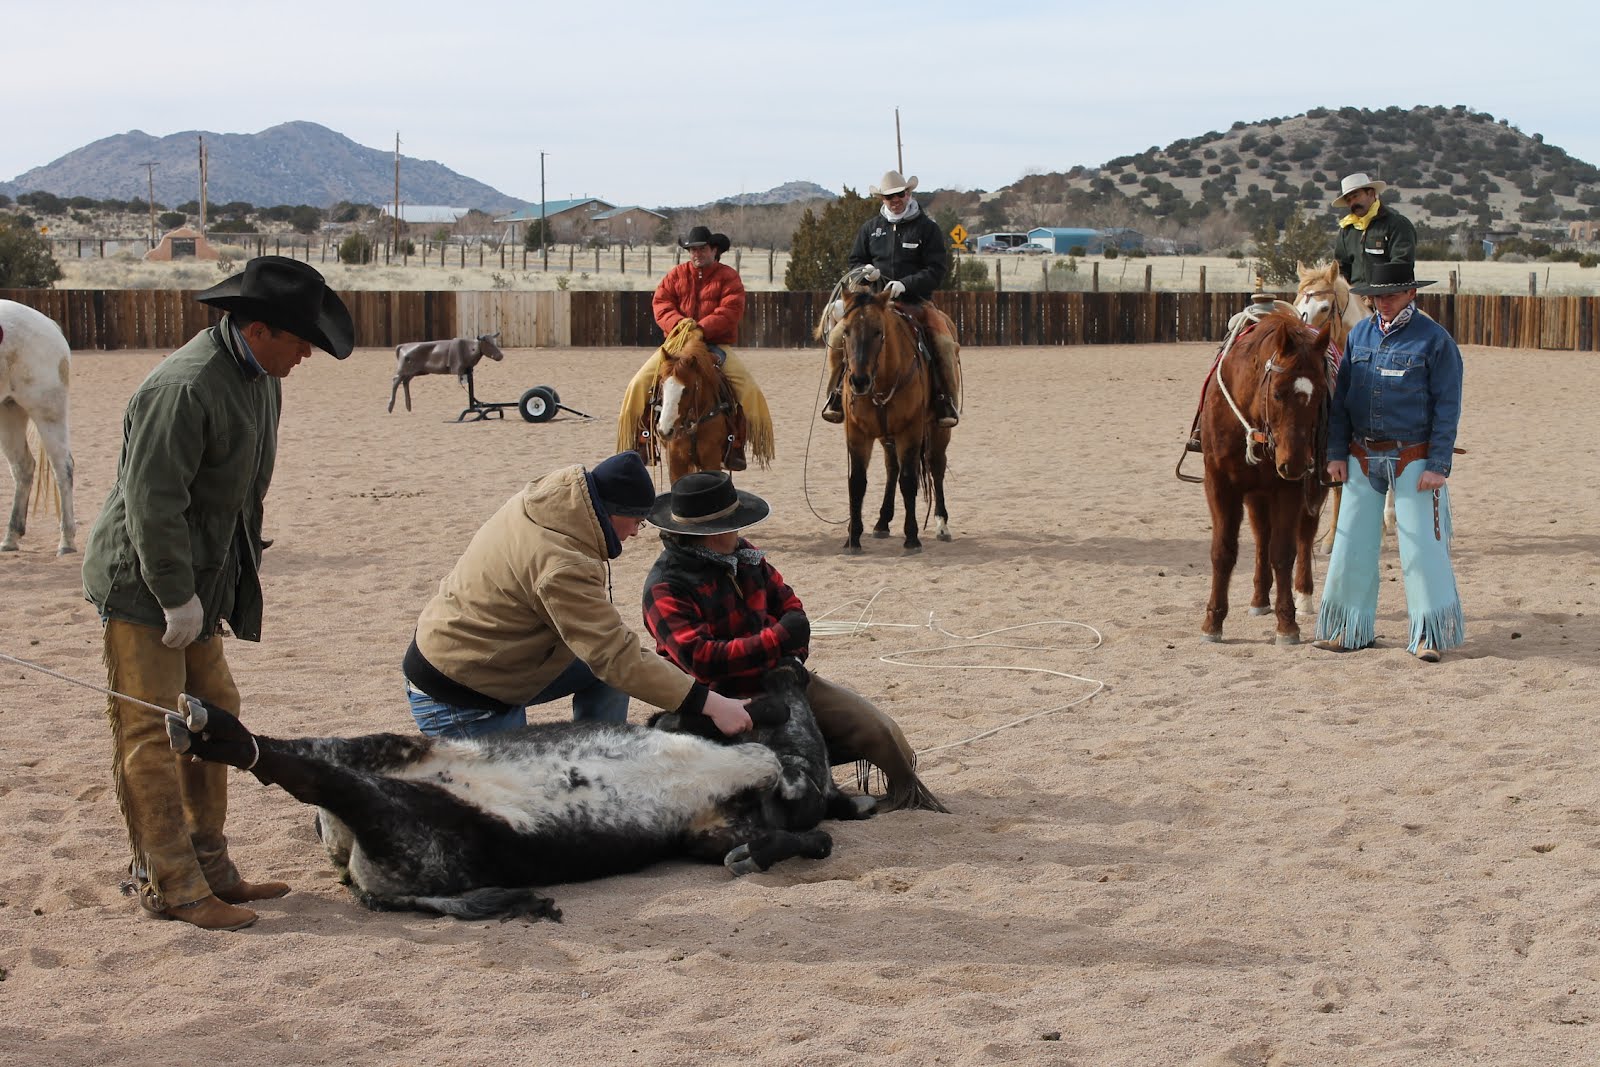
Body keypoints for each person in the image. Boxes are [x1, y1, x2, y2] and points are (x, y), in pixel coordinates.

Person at [82, 256, 356, 932]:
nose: (304, 355)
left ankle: (211, 864)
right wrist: (175, 595)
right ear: (257, 329)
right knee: (150, 730)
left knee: (214, 714)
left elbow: (240, 494)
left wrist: (224, 583)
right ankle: (172, 884)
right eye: (298, 341)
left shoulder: (262, 378)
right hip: (146, 580)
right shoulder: (182, 388)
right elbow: (153, 506)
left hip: (199, 580)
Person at [641, 471, 947, 812]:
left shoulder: (744, 555)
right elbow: (703, 659)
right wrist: (779, 640)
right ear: (710, 534)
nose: (739, 530)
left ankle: (901, 796)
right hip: (719, 702)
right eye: (733, 523)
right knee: (765, 772)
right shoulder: (665, 587)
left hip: (782, 677)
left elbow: (791, 608)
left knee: (880, 732)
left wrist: (793, 658)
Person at [402, 450, 754, 739]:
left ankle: (600, 752)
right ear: (616, 514)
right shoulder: (563, 565)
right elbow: (615, 656)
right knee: (527, 809)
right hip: (460, 693)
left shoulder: (546, 504)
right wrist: (711, 704)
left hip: (482, 654)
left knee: (608, 676)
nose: (634, 534)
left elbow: (613, 660)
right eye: (637, 522)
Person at [1314, 261, 1464, 663]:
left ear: (1412, 294)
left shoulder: (1435, 340)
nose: (1383, 302)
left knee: (1423, 550)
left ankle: (1428, 635)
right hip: (1361, 455)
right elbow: (1341, 403)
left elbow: (1448, 406)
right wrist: (1334, 454)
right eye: (1377, 296)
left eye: (1392, 295)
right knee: (1350, 547)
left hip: (1414, 455)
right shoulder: (1359, 336)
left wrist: (1439, 464)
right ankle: (1348, 630)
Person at [617, 225, 774, 471]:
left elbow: (731, 310)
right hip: (676, 343)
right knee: (638, 384)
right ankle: (640, 440)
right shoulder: (675, 275)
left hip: (714, 343)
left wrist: (701, 329)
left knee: (749, 390)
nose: (696, 254)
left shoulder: (729, 277)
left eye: (701, 249)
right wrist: (681, 325)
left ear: (714, 250)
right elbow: (661, 303)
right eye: (692, 250)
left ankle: (737, 444)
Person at [822, 170, 961, 427]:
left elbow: (936, 270)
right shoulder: (870, 229)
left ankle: (945, 400)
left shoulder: (927, 229)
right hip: (874, 303)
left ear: (908, 194)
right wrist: (865, 273)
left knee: (942, 342)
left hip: (916, 302)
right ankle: (836, 394)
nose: (895, 199)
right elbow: (855, 261)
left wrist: (905, 285)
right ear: (882, 199)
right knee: (837, 336)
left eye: (900, 194)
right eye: (889, 196)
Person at [1332, 172, 1417, 288]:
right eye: (1348, 200)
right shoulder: (1347, 231)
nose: (1352, 203)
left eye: (1355, 196)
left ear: (1371, 193)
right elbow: (1341, 268)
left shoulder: (1397, 224)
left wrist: (1376, 295)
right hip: (1356, 299)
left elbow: (1401, 264)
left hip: (1390, 298)